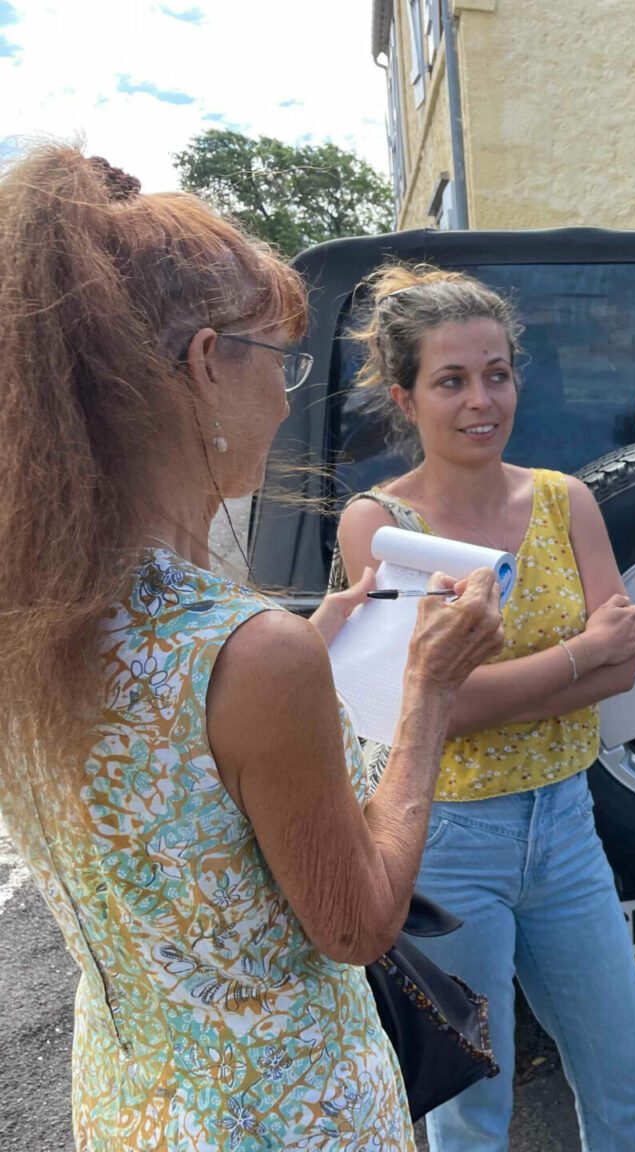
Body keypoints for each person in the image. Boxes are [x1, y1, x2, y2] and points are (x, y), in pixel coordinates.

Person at [0, 145, 505, 1149]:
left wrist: (314, 639)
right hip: (286, 1112)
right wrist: (429, 695)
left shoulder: (36, 615)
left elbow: (172, 796)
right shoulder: (246, 653)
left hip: (130, 1103)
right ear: (204, 363)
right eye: (278, 359)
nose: (286, 399)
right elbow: (357, 924)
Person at [333, 264, 635, 1152]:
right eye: (452, 380)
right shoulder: (380, 524)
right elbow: (432, 714)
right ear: (405, 395)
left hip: (566, 827)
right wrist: (576, 657)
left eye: (498, 373)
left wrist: (517, 682)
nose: (483, 399)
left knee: (625, 1082)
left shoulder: (563, 500)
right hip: (445, 839)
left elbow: (623, 667)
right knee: (472, 1104)